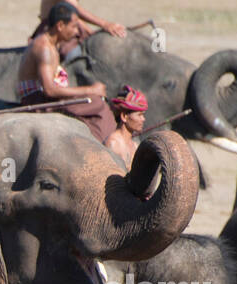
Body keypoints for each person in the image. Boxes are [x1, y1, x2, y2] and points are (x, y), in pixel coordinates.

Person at [17, 3, 115, 144]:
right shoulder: (44, 48)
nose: (76, 32)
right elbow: (49, 90)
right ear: (60, 25)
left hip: (45, 99)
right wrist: (90, 90)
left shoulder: (50, 44)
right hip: (38, 102)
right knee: (97, 105)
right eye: (74, 26)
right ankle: (99, 147)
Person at [38, 0, 126, 57]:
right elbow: (72, 7)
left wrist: (91, 33)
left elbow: (74, 18)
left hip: (68, 26)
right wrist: (105, 24)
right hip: (55, 30)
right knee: (74, 54)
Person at [104, 85, 147, 165]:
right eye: (139, 115)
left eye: (143, 115)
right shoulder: (113, 144)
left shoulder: (135, 146)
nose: (143, 119)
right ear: (124, 116)